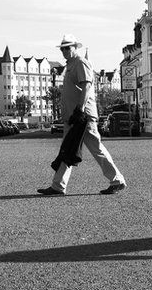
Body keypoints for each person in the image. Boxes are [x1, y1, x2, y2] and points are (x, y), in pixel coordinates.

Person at [38, 34, 126, 196]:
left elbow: (86, 86)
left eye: (68, 48)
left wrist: (80, 108)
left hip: (82, 116)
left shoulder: (80, 62)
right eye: (63, 48)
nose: (65, 51)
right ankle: (58, 186)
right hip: (74, 117)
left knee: (95, 148)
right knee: (68, 150)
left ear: (75, 48)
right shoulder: (71, 65)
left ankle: (117, 179)